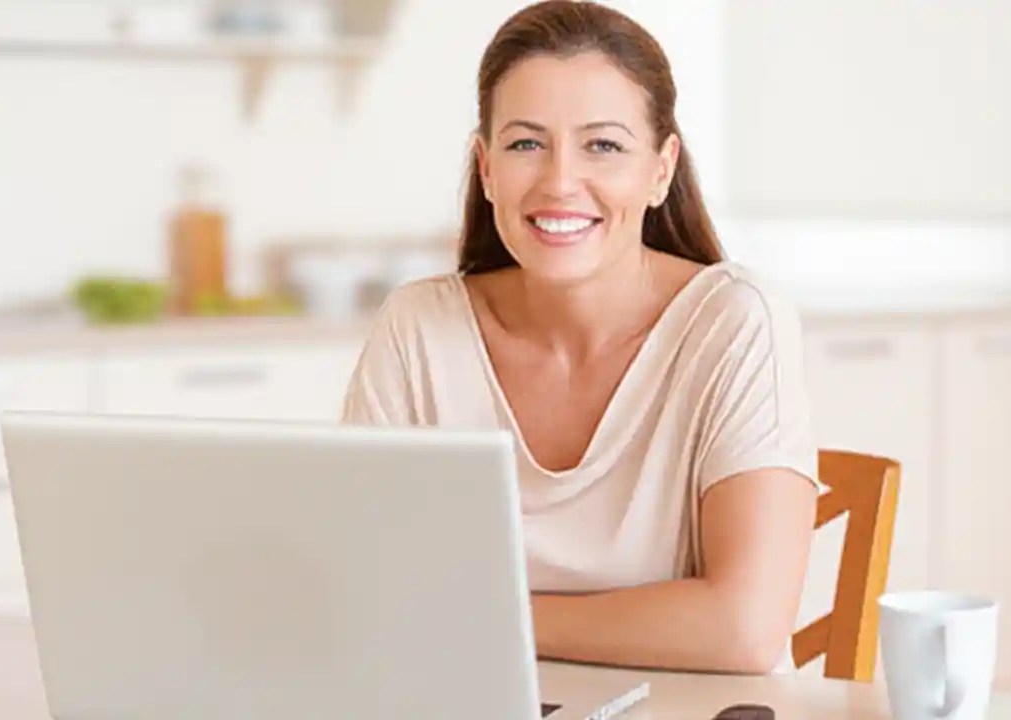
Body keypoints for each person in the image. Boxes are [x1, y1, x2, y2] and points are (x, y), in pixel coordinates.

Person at [341, 0, 819, 675]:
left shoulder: (736, 322)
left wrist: (486, 613)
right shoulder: (419, 329)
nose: (560, 182)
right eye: (526, 144)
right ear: (486, 168)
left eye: (603, 145)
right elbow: (365, 588)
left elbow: (743, 629)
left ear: (661, 169)